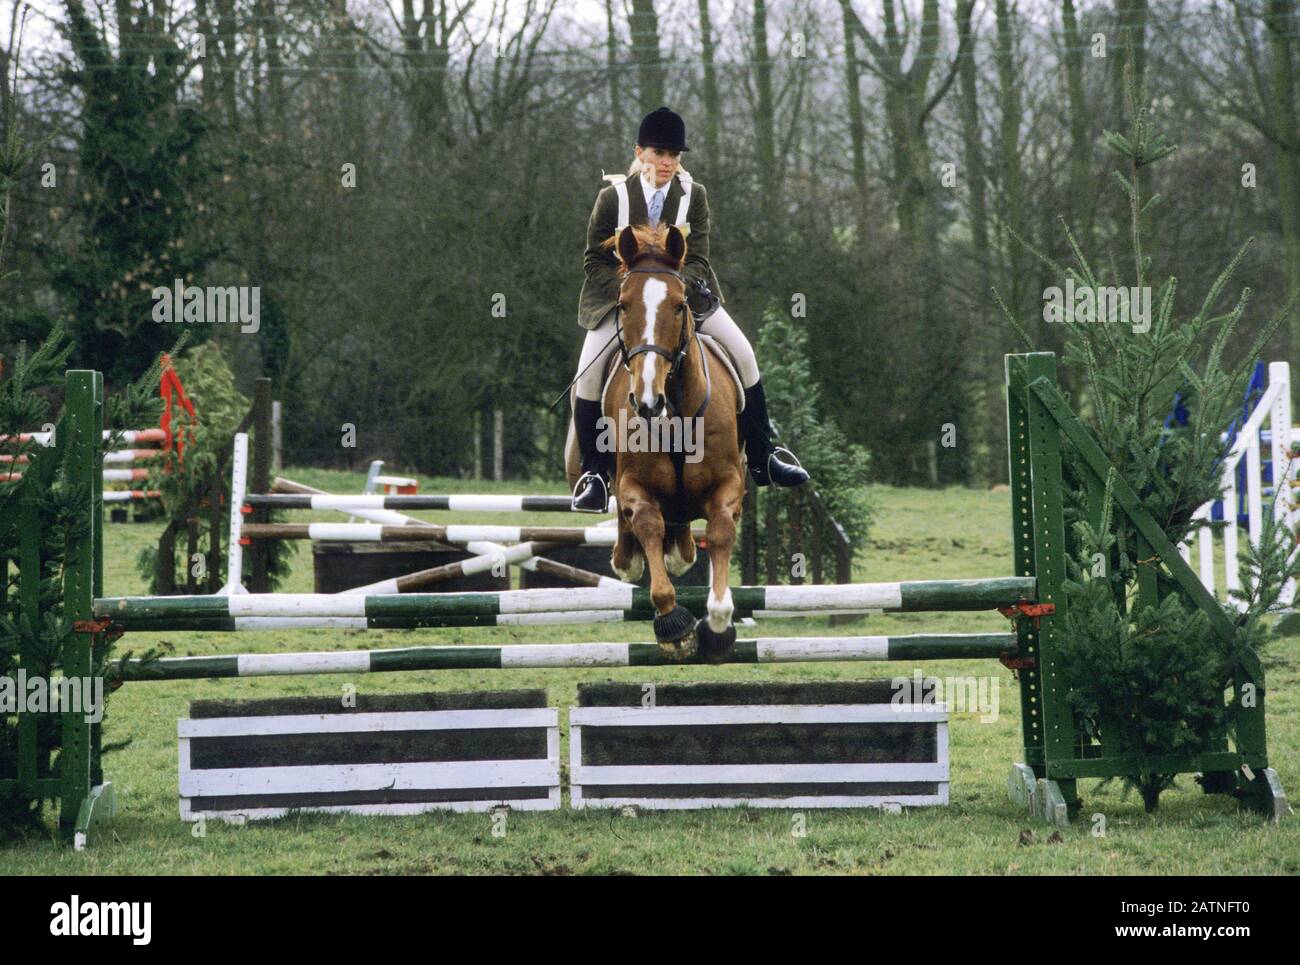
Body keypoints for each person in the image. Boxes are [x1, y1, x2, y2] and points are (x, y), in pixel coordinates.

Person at [570, 106, 809, 512]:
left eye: (674, 155)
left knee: (745, 355)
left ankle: (765, 456)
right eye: (659, 153)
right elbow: (593, 260)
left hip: (685, 299)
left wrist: (670, 290)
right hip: (622, 304)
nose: (667, 162)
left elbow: (698, 258)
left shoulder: (693, 196)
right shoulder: (611, 199)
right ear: (640, 152)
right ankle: (594, 473)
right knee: (588, 375)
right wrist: (633, 291)